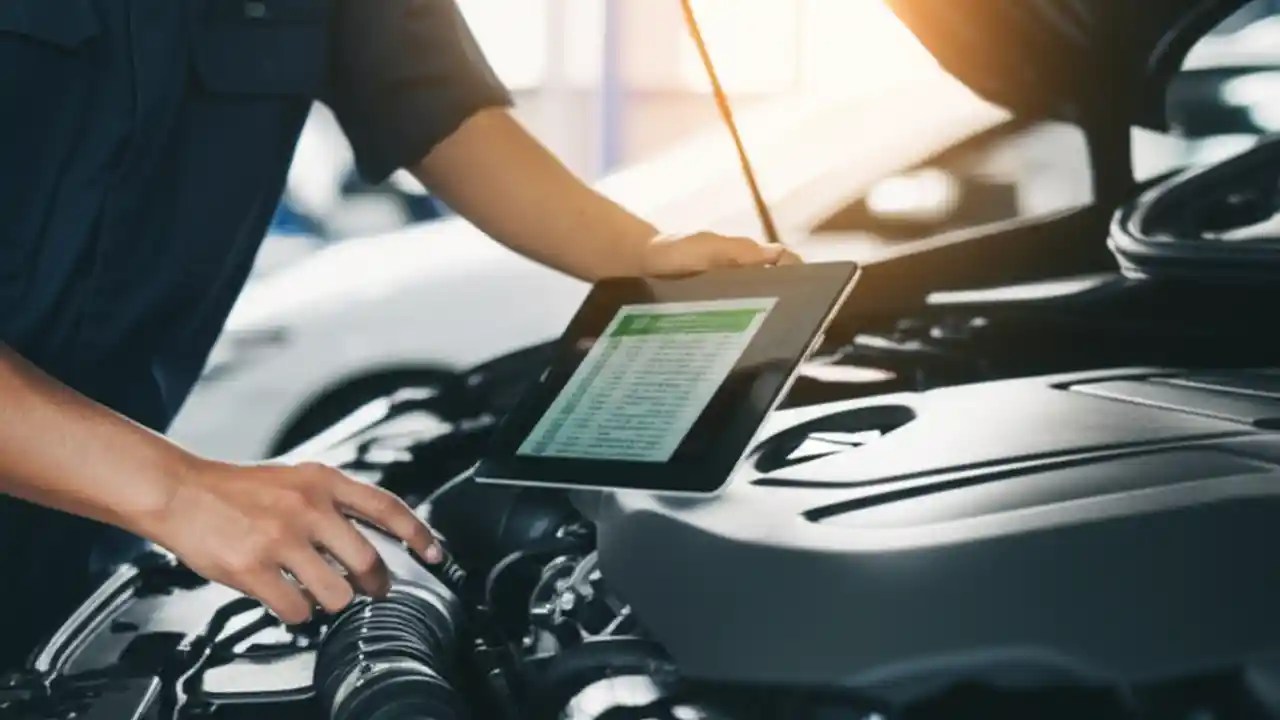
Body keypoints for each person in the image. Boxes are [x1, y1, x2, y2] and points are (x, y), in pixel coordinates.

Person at [0, 0, 798, 668]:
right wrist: (177, 490)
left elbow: (431, 101)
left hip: (82, 536)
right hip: (126, 488)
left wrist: (638, 254)